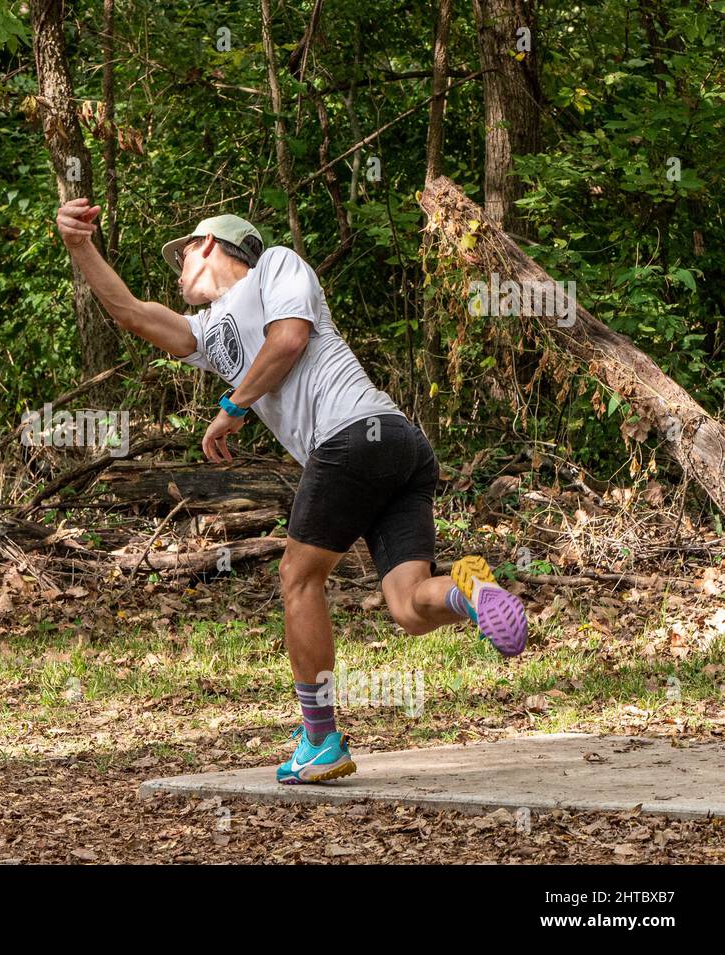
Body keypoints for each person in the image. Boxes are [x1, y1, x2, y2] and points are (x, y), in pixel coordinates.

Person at [55, 198, 528, 784]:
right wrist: (80, 246)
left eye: (181, 255)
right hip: (397, 449)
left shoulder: (276, 265)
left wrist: (232, 406)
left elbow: (289, 339)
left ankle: (321, 739)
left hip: (352, 433)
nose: (177, 271)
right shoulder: (208, 333)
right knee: (408, 607)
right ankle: (474, 593)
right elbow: (129, 311)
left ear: (207, 245)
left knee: (297, 578)